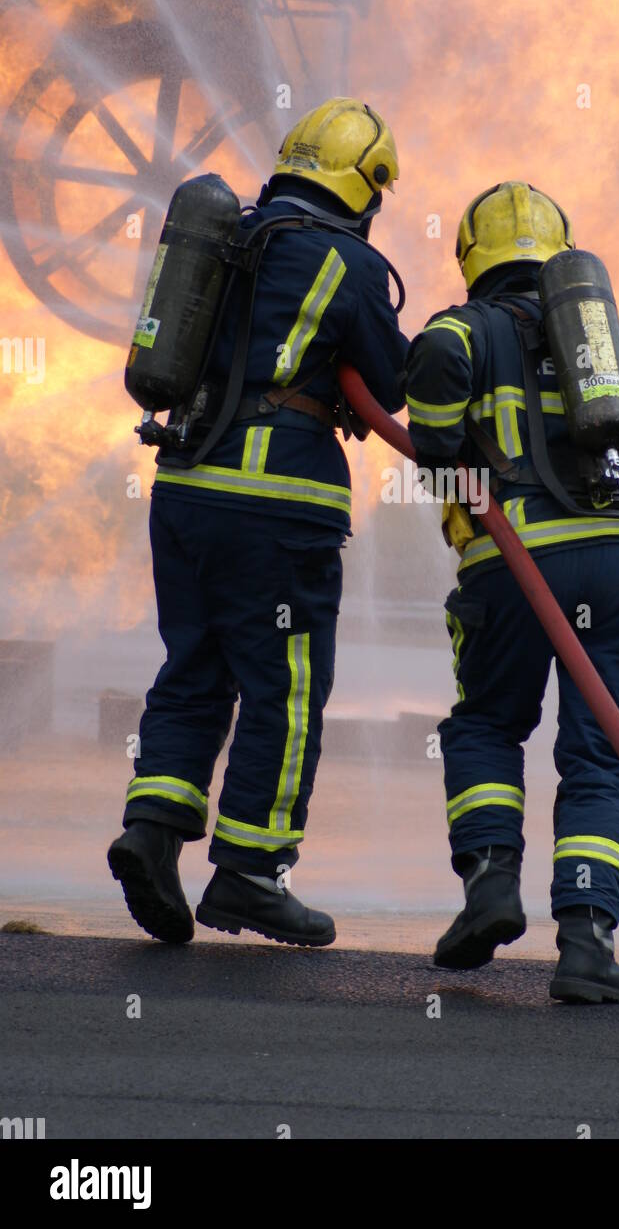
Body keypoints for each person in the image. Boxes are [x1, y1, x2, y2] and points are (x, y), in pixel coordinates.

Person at [404, 181, 619, 1002]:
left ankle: (490, 885)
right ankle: (586, 943)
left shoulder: (461, 329)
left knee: (486, 727)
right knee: (602, 754)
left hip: (511, 566)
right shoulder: (617, 360)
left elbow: (432, 367)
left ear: (472, 257)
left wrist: (439, 441)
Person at [109, 97, 408, 946]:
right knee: (286, 687)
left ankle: (152, 832)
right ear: (365, 186)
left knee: (194, 664)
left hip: (185, 488)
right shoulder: (348, 265)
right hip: (277, 509)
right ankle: (250, 870)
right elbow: (392, 389)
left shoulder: (229, 237)